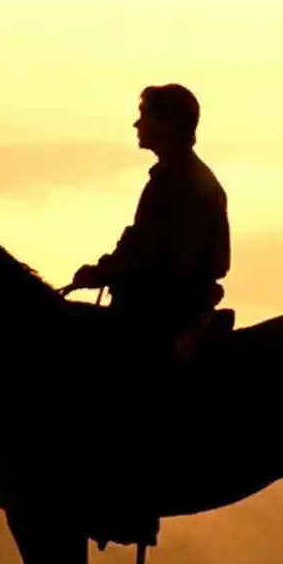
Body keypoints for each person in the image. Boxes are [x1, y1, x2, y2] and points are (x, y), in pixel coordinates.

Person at [70, 83, 231, 380]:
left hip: (163, 316)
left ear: (167, 123)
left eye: (144, 115)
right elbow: (141, 243)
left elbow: (165, 261)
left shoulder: (183, 184)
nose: (137, 123)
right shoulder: (172, 179)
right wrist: (104, 269)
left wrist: (108, 272)